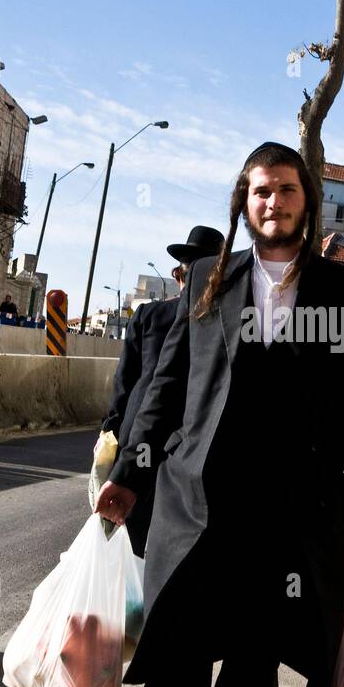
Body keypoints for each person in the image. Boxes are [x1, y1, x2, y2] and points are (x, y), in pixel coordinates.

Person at [94, 141, 344, 687]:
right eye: (261, 191)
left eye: (286, 189)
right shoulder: (210, 279)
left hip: (284, 520)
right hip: (196, 510)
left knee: (253, 675)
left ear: (306, 202)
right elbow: (166, 388)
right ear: (243, 202)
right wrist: (128, 474)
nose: (273, 202)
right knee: (175, 662)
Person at [99, 224, 225, 557]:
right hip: (184, 451)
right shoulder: (220, 322)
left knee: (128, 543)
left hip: (135, 440)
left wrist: (110, 433)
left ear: (177, 273)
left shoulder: (148, 314)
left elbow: (123, 385)